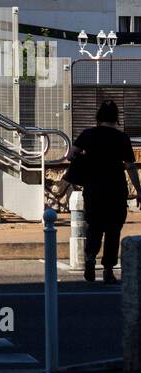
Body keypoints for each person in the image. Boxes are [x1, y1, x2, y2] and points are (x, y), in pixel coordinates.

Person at [55, 100, 141, 283]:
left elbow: (70, 155)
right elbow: (130, 166)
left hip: (94, 188)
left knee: (94, 226)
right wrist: (139, 191)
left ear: (98, 116)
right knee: (113, 230)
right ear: (116, 118)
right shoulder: (122, 138)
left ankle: (90, 259)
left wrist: (85, 158)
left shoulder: (88, 134)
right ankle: (108, 269)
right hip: (116, 189)